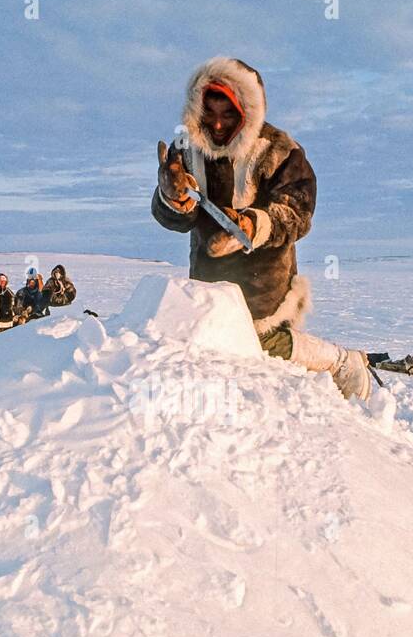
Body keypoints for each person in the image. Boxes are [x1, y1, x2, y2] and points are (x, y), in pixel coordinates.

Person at [151, 56, 372, 400]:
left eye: (228, 114)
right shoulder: (187, 150)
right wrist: (171, 197)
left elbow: (297, 210)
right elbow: (177, 219)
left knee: (259, 341)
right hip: (210, 275)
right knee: (213, 346)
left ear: (246, 112)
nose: (219, 124)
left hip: (263, 278)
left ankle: (340, 361)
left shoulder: (279, 151)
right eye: (210, 113)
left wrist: (253, 225)